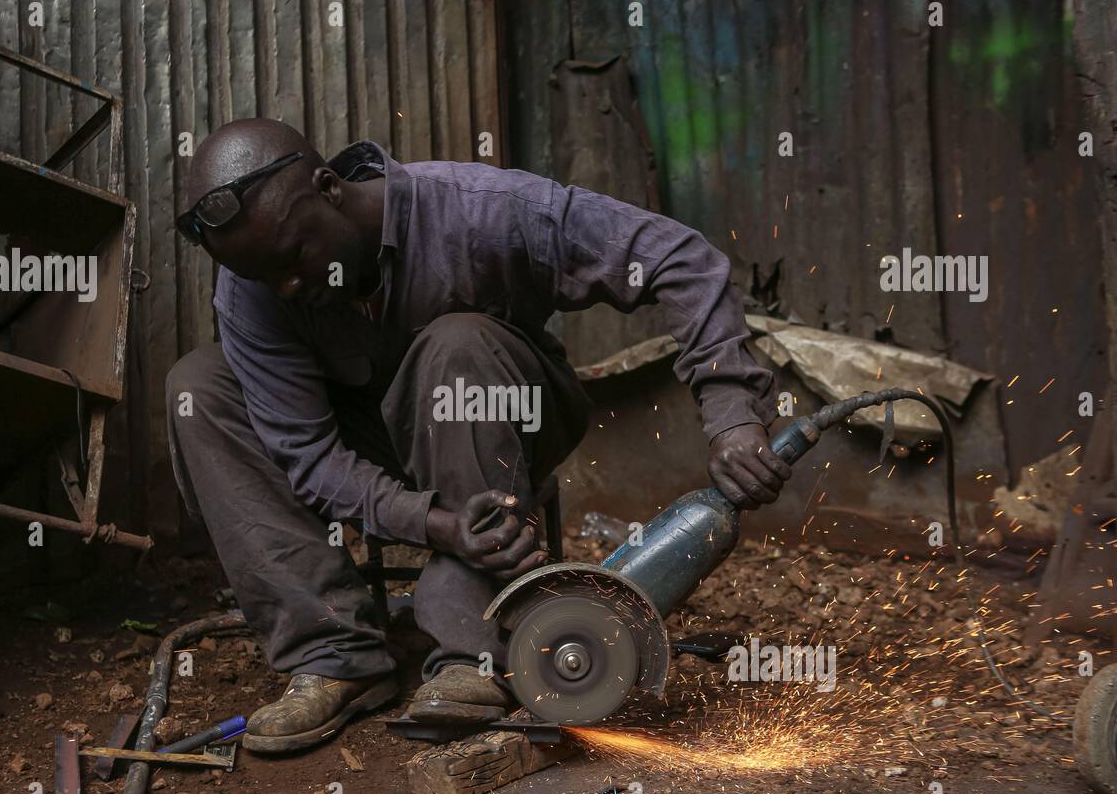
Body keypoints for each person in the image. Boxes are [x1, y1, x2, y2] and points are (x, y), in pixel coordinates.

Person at [166, 119, 786, 753]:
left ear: (328, 187)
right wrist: (433, 522)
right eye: (263, 276)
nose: (287, 287)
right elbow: (309, 454)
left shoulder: (480, 210)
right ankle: (333, 655)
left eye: (294, 258)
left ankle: (472, 652)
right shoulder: (254, 288)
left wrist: (732, 409)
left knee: (455, 343)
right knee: (201, 385)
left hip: (510, 414)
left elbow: (678, 255)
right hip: (377, 445)